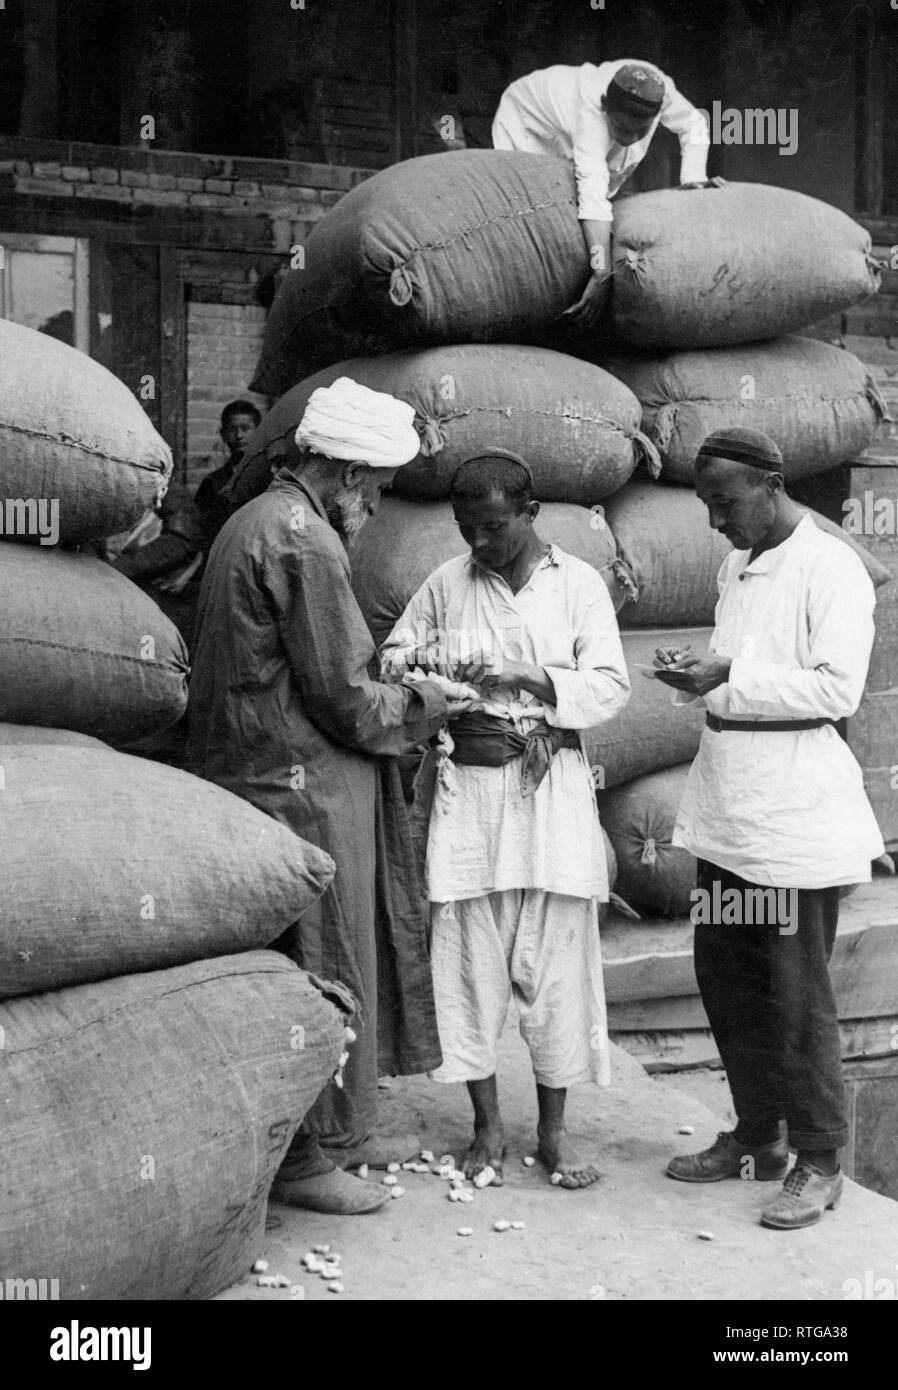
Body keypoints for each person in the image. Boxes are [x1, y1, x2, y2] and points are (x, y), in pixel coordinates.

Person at [186, 377, 475, 1216]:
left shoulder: (255, 520)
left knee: (304, 958)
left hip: (259, 770)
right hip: (295, 788)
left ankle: (322, 1137)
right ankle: (308, 1154)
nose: (378, 505)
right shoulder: (304, 539)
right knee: (322, 964)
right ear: (347, 475)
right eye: (379, 488)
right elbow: (347, 698)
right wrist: (425, 703)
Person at [380, 451, 630, 1188]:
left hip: (550, 794)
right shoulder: (446, 583)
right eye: (465, 529)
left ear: (529, 514)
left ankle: (554, 1133)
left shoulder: (578, 585)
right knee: (467, 960)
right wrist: (439, 674)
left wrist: (533, 678)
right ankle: (485, 1126)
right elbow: (392, 659)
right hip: (471, 795)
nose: (478, 544)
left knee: (557, 968)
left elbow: (612, 685)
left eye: (492, 528)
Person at [656, 427, 885, 1229]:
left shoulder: (830, 568)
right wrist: (704, 676)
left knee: (793, 992)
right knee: (727, 975)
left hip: (791, 818)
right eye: (707, 506)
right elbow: (742, 670)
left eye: (725, 502)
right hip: (730, 815)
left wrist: (733, 674)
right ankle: (758, 1137)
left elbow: (836, 691)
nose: (717, 520)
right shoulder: (735, 565)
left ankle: (819, 1159)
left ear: (772, 482)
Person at [492, 59, 710, 328]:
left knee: (590, 209)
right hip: (527, 120)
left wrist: (694, 178)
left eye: (640, 130)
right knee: (547, 214)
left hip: (569, 127)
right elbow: (593, 197)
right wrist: (601, 271)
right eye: (622, 128)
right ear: (606, 105)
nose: (630, 137)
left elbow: (695, 123)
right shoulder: (590, 115)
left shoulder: (661, 94)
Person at [193, 399, 262, 524]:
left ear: (259, 431)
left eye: (245, 429)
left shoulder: (267, 475)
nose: (239, 435)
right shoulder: (213, 482)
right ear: (223, 434)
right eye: (232, 430)